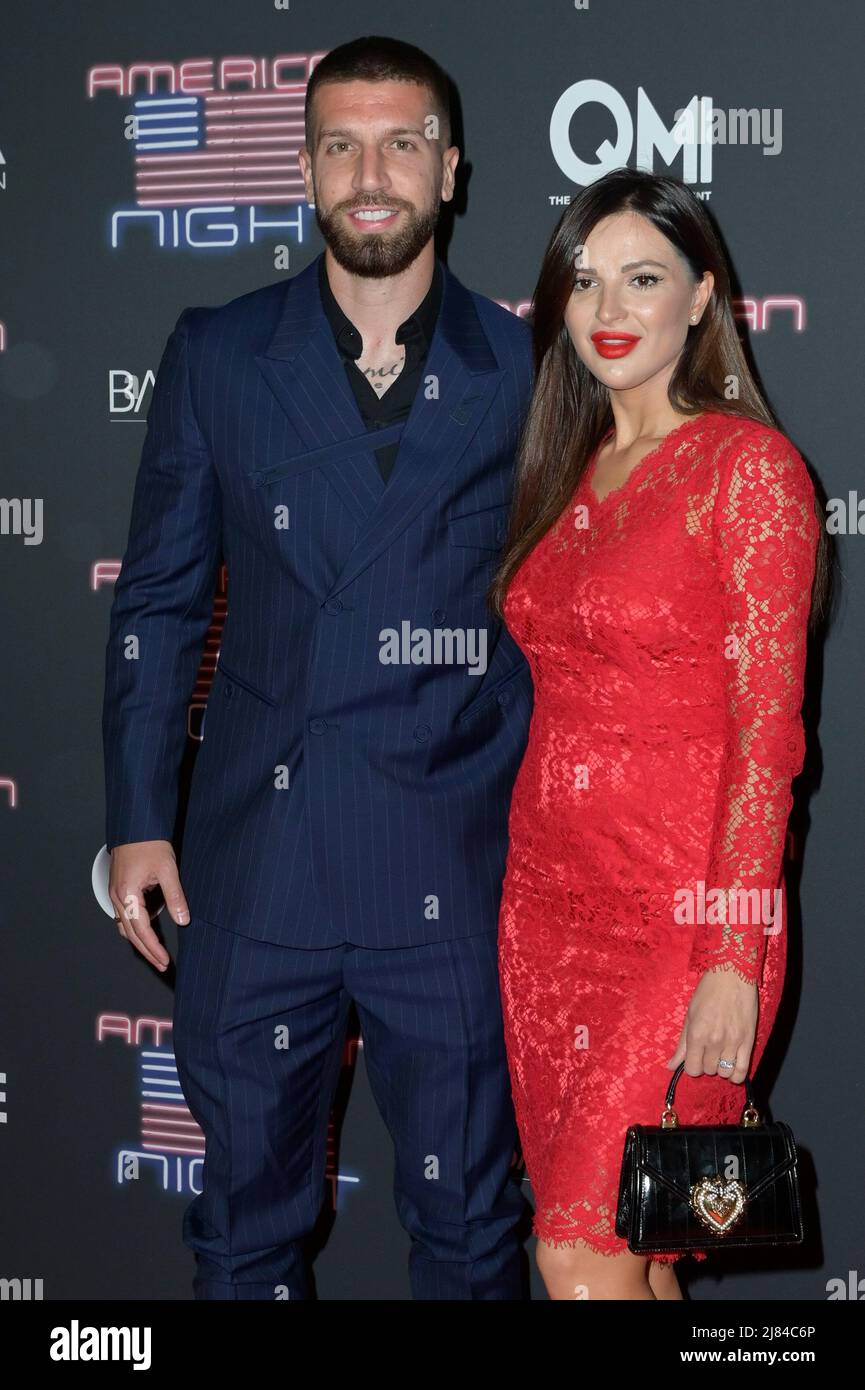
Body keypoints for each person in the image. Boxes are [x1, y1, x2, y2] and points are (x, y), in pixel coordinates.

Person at [102, 35, 536, 1300]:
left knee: (468, 1234)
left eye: (402, 143)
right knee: (243, 1233)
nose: (372, 173)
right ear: (302, 167)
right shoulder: (222, 354)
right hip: (259, 863)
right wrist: (138, 817)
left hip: (450, 856)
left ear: (450, 170)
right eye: (341, 144)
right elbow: (160, 600)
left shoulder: (525, 369)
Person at [489, 167, 828, 1301]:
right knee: (627, 1237)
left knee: (577, 1257)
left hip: (681, 919)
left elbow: (767, 735)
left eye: (642, 277)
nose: (608, 309)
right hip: (544, 911)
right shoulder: (560, 471)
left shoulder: (749, 472)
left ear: (702, 298)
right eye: (583, 281)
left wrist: (734, 954)